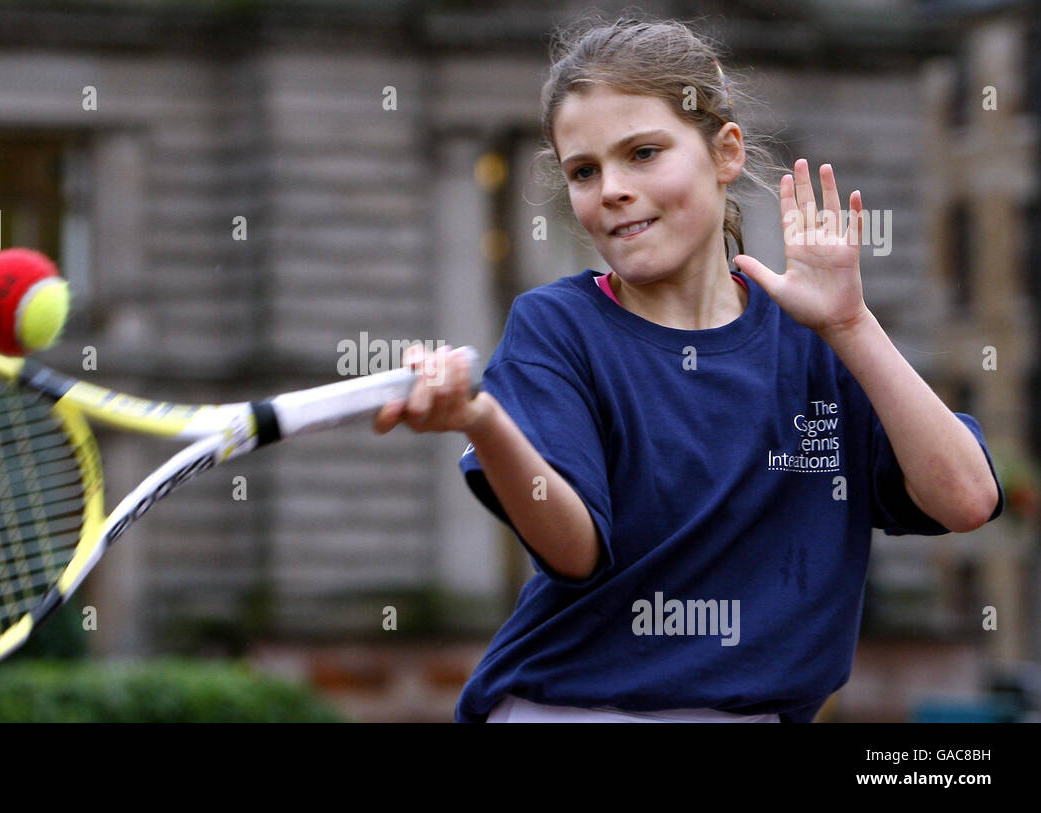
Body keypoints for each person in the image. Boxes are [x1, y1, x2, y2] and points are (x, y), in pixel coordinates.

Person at [372, 16, 1004, 723]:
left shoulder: (818, 336)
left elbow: (966, 499)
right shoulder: (557, 326)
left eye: (643, 153)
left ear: (725, 151)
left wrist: (852, 325)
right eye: (584, 170)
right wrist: (484, 418)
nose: (610, 188)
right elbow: (573, 550)